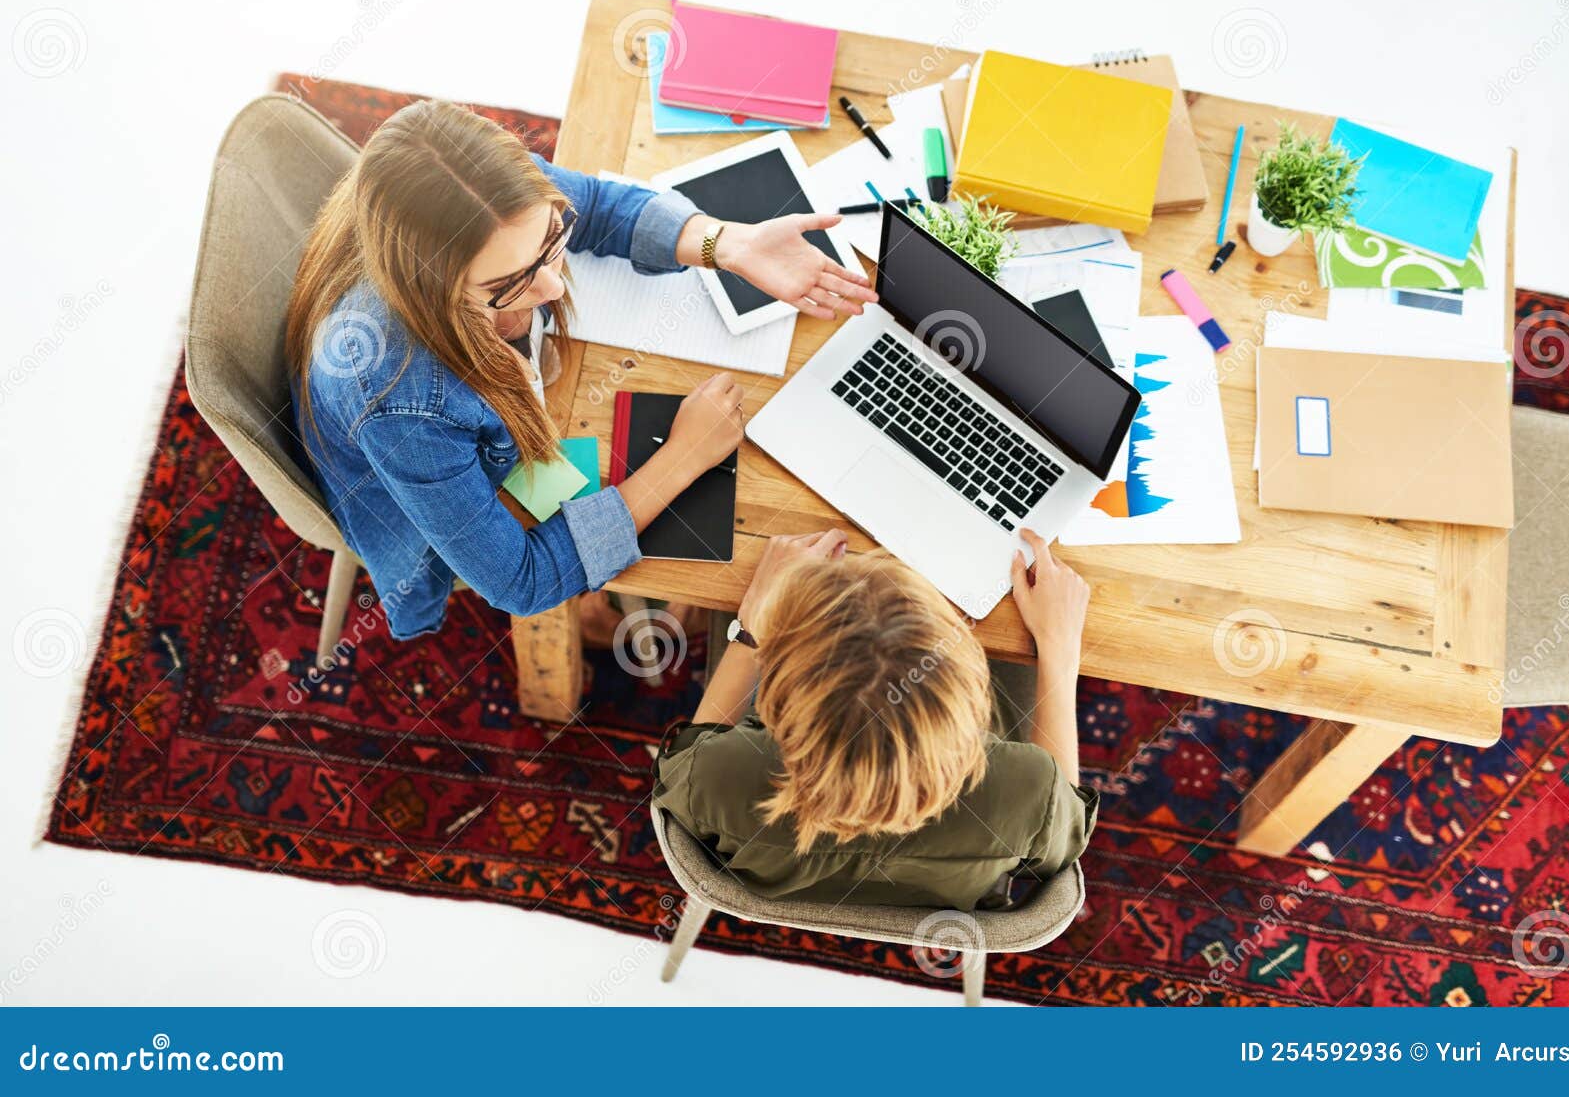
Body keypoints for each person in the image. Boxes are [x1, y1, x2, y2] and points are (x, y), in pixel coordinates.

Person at [285, 98, 875, 639]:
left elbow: (595, 205)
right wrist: (684, 458)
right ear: (429, 285)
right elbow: (522, 580)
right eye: (509, 282)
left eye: (551, 238)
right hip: (448, 494)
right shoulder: (399, 401)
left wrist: (727, 244)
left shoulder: (485, 197)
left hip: (523, 419)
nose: (548, 286)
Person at [653, 528, 1097, 910]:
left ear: (780, 698)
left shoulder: (717, 779)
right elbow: (1066, 839)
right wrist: (1059, 647)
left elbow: (689, 754)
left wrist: (751, 626)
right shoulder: (1028, 792)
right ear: (969, 699)